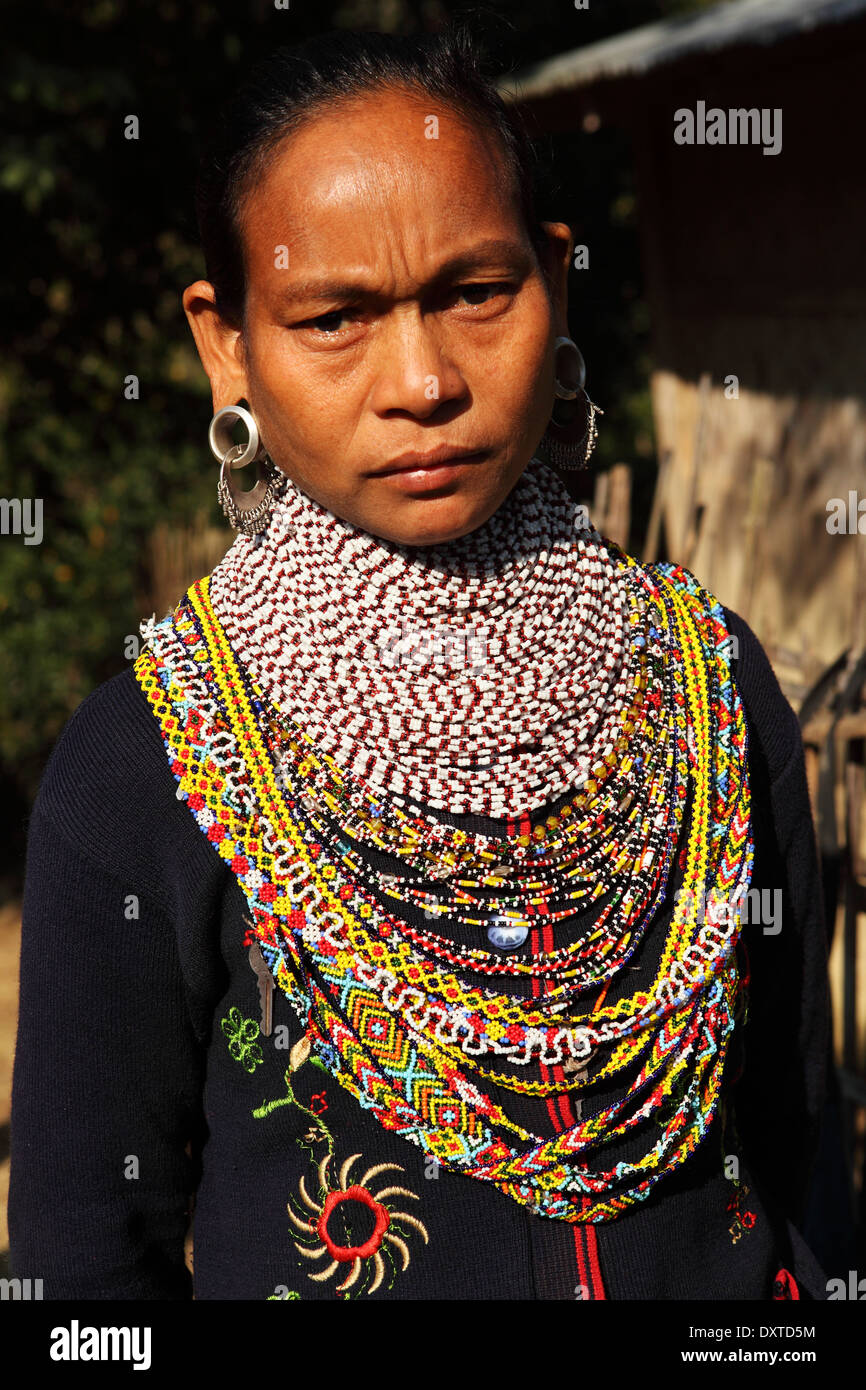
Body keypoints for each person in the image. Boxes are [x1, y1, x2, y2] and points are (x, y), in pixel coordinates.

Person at [9, 26, 830, 1301]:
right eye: (334, 316)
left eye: (474, 292)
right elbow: (81, 1271)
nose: (424, 380)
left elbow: (801, 1151)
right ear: (227, 343)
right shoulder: (148, 764)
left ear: (555, 280)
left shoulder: (706, 686)